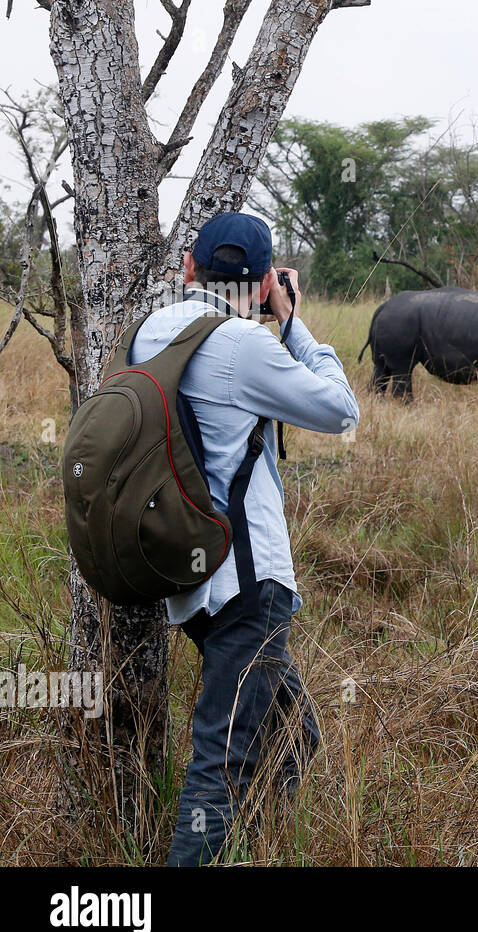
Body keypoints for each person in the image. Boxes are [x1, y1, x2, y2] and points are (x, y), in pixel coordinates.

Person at [129, 211, 360, 865]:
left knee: (295, 732)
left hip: (186, 576)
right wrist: (290, 320)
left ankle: (271, 849)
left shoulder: (148, 334)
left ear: (189, 269)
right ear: (262, 284)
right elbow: (342, 410)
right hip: (248, 582)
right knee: (221, 759)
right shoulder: (245, 344)